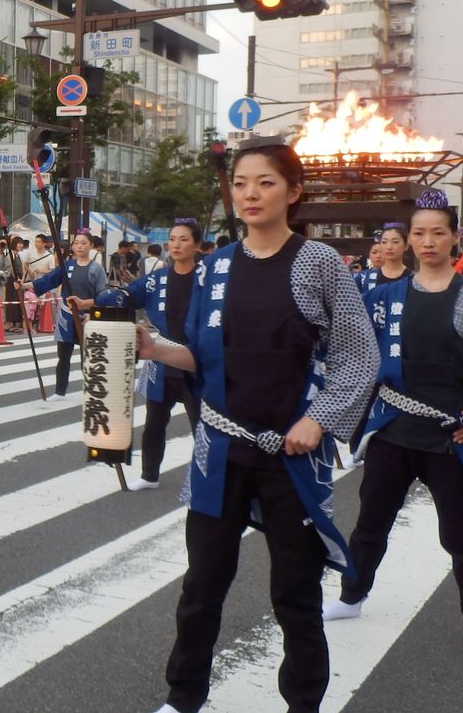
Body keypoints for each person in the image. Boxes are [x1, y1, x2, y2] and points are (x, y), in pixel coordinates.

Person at [137, 141, 377, 713]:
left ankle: (303, 702)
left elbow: (358, 355)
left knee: (295, 591)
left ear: (293, 193)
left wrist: (318, 421)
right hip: (220, 449)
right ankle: (184, 695)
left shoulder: (319, 264)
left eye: (266, 182)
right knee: (202, 585)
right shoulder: (216, 266)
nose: (250, 193)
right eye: (242, 182)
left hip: (291, 455)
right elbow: (201, 355)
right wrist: (154, 349)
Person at [323, 189, 463, 663]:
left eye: (439, 232)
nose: (429, 241)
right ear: (408, 239)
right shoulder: (382, 298)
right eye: (419, 232)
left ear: (455, 237)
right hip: (393, 431)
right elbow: (345, 347)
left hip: (452, 436)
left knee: (461, 537)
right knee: (370, 525)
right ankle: (352, 597)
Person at [104, 218, 201, 491]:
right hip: (162, 358)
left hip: (196, 360)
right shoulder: (158, 278)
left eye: (183, 239)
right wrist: (90, 303)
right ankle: (149, 475)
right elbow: (128, 295)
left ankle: (205, 480)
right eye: (172, 239)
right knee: (154, 423)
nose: (176, 244)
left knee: (202, 427)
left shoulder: (208, 278)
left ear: (197, 244)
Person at [24, 231, 108, 403]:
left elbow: (104, 296)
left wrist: (91, 313)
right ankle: (59, 390)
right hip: (66, 317)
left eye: (84, 243)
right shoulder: (67, 265)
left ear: (91, 246)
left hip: (88, 317)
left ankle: (94, 390)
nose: (79, 246)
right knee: (63, 356)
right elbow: (47, 280)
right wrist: (23, 285)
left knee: (91, 357)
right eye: (76, 243)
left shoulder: (96, 269)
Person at [356, 223, 412, 294]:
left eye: (395, 242)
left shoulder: (414, 279)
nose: (389, 247)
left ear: (406, 246)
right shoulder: (362, 278)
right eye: (384, 242)